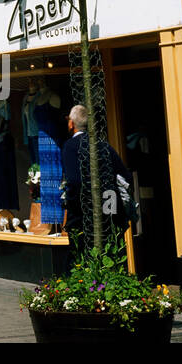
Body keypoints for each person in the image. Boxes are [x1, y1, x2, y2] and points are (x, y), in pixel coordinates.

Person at [61, 104, 132, 253]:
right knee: (110, 253)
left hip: (84, 214)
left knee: (81, 255)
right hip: (110, 207)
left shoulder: (70, 146)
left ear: (71, 124)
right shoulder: (102, 144)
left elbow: (74, 181)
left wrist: (71, 207)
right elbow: (125, 176)